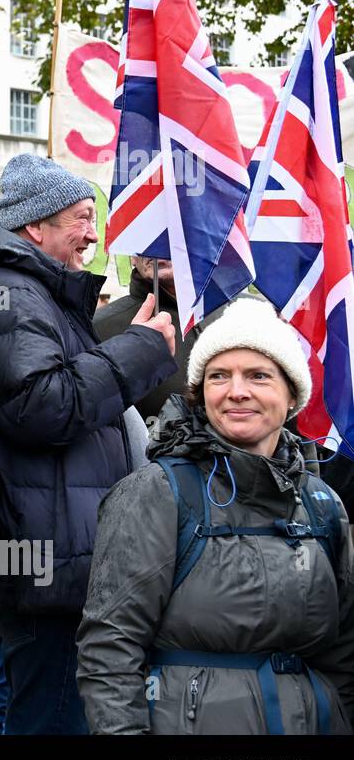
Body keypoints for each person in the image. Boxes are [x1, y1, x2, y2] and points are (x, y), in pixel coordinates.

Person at [0, 153, 177, 734]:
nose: (92, 235)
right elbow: (41, 405)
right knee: (50, 721)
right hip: (46, 563)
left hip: (59, 556)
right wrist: (141, 349)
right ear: (36, 226)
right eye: (80, 217)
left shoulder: (37, 293)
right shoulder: (8, 291)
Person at [77, 298, 354, 733]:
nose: (236, 391)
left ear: (292, 393)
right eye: (218, 376)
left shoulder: (322, 504)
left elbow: (343, 654)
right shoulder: (156, 493)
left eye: (259, 376)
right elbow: (110, 649)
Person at [95, 255, 228, 421]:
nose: (157, 247)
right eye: (148, 237)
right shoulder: (96, 326)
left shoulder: (231, 315)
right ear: (132, 257)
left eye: (171, 234)